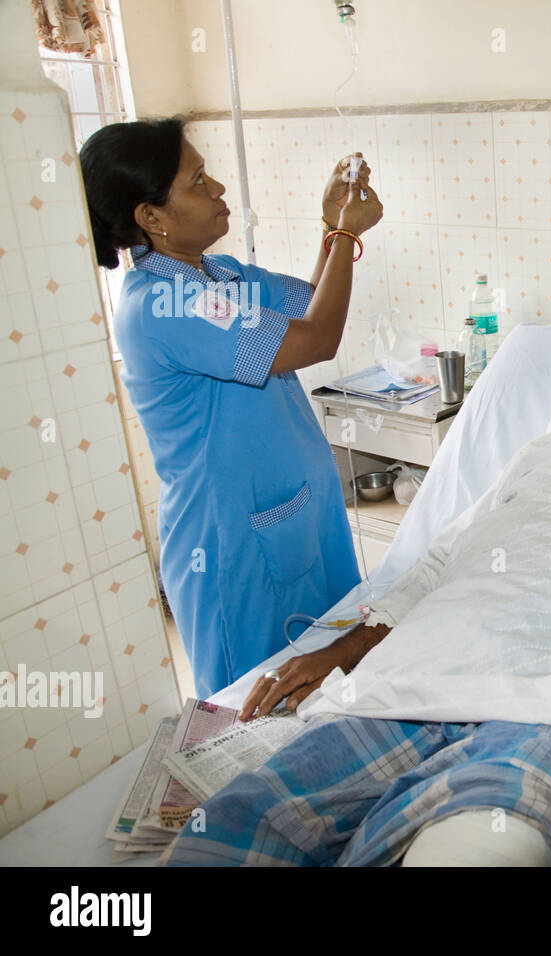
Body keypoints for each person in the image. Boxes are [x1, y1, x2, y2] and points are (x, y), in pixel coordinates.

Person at [161, 319, 551, 867]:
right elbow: (441, 559)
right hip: (407, 686)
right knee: (238, 825)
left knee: (481, 846)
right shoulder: (543, 454)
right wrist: (343, 650)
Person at [79, 118, 384, 699]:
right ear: (152, 217)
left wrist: (329, 226)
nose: (218, 188)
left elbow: (306, 312)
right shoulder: (163, 306)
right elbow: (316, 340)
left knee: (327, 684)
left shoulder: (221, 277)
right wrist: (345, 237)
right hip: (233, 546)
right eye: (198, 181)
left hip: (294, 518)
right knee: (254, 706)